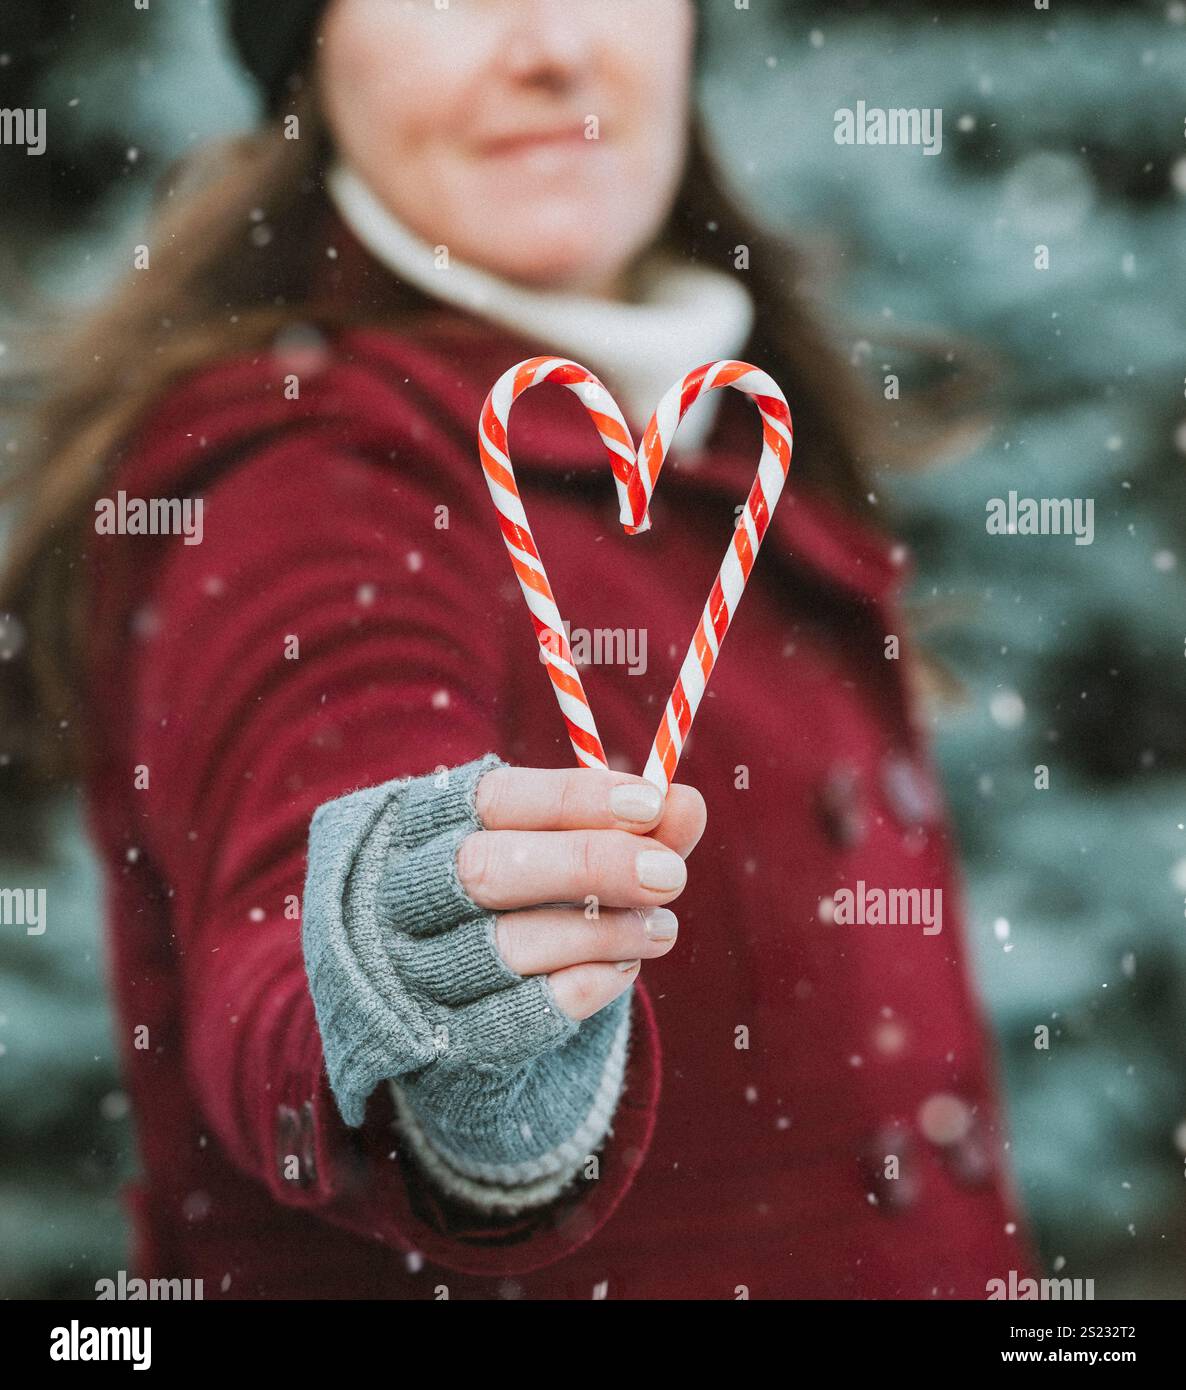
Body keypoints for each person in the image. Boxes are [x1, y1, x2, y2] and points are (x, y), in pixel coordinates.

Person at [0, 0, 1036, 1298]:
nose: (550, 46)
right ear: (309, 56)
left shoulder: (711, 429)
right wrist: (412, 1000)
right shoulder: (309, 480)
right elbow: (290, 936)